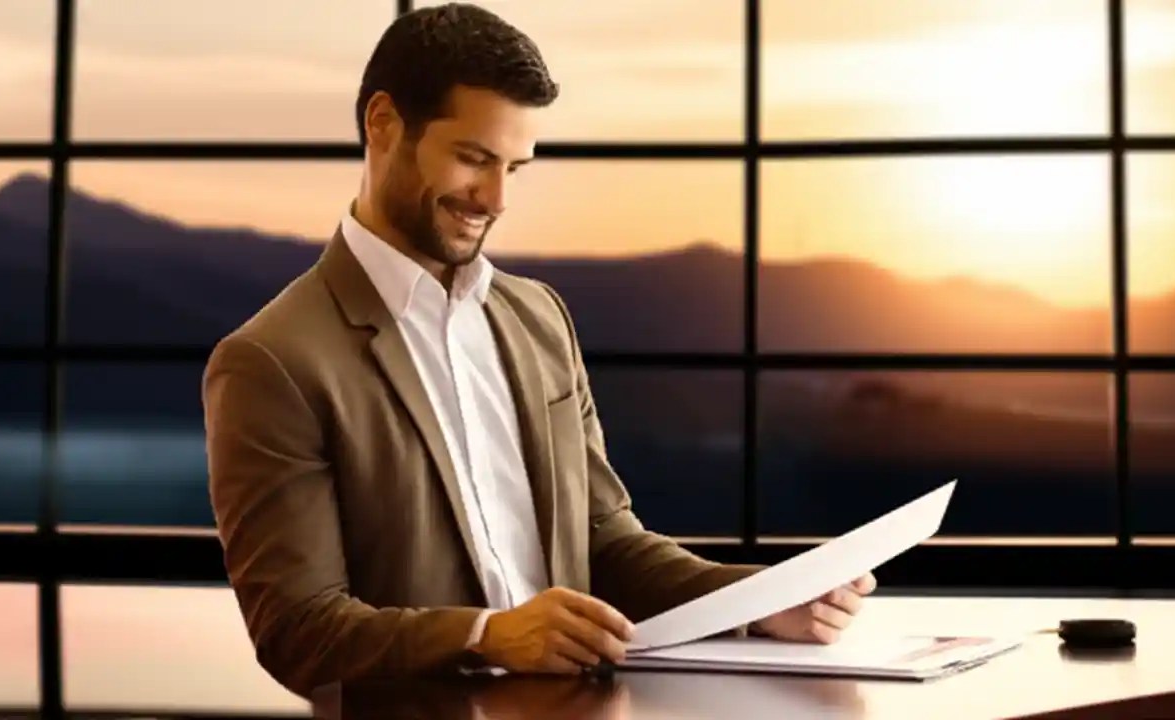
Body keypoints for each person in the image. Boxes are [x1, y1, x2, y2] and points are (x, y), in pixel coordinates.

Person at [202, 2, 875, 699]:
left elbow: (608, 545)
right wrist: (485, 636)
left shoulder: (538, 319)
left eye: (515, 168)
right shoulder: (273, 361)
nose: (494, 198)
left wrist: (761, 600)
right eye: (472, 159)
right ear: (383, 123)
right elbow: (298, 631)